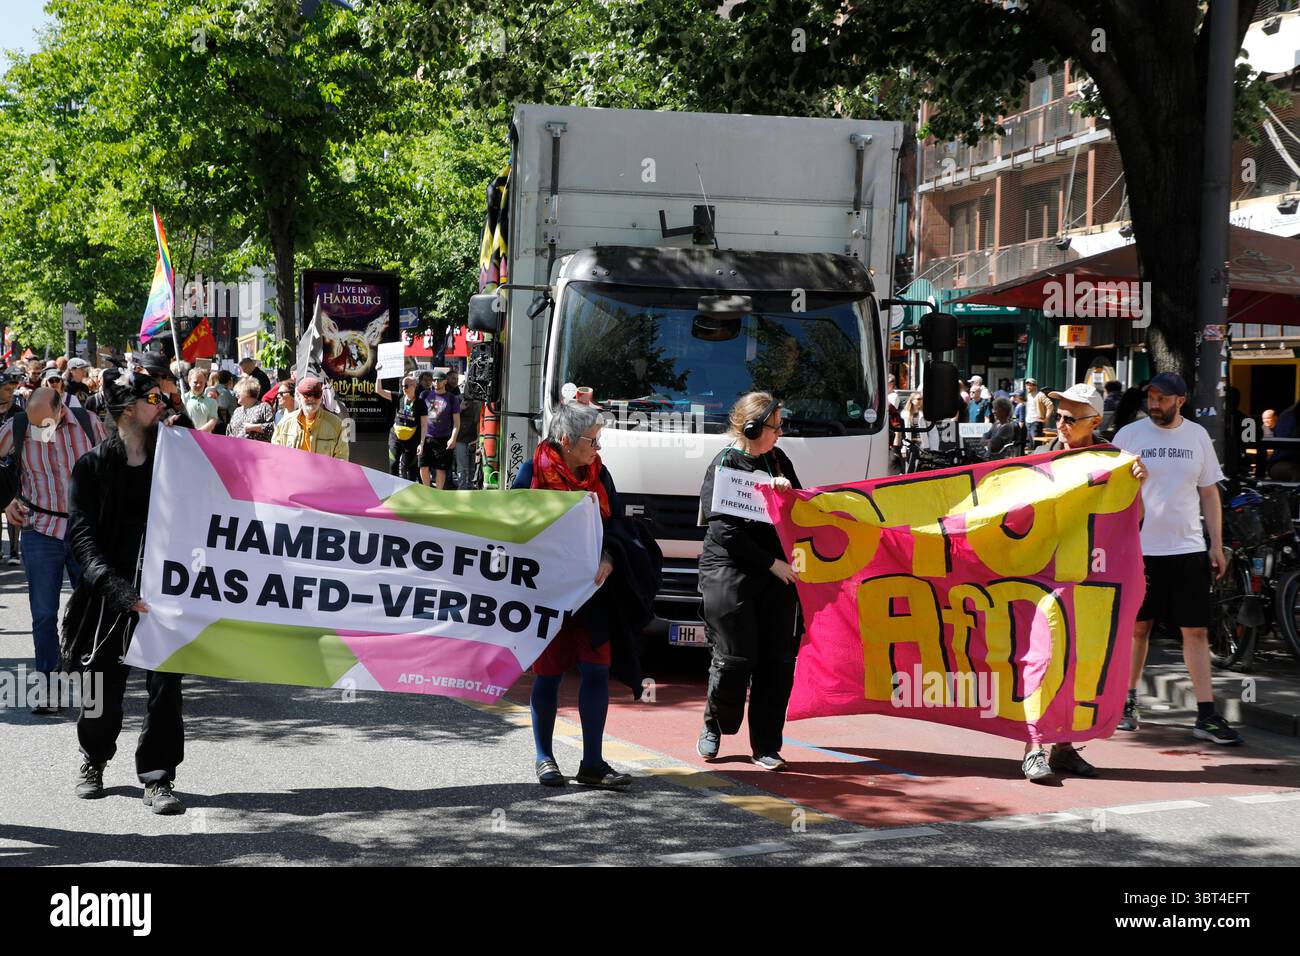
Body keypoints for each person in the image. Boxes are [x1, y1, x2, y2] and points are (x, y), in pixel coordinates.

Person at [62, 371, 185, 813]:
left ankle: (158, 778)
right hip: (109, 597)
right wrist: (115, 589)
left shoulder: (174, 458)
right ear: (129, 408)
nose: (162, 404)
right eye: (154, 398)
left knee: (165, 689)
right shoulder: (91, 467)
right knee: (102, 684)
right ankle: (93, 759)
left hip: (165, 595)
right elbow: (82, 537)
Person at [1112, 372, 1242, 745]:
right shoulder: (1130, 436)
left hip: (1187, 549)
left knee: (1197, 632)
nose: (1154, 404)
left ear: (1179, 401)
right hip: (1141, 551)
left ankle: (1206, 715)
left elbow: (1209, 494)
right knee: (1139, 629)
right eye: (1151, 397)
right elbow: (1108, 490)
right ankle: (1128, 702)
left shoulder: (1197, 436)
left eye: (1162, 399)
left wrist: (1216, 544)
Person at [511, 401, 632, 790]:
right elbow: (510, 528)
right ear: (565, 440)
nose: (598, 449)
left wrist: (609, 558)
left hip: (592, 594)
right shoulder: (531, 474)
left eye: (599, 440)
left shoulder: (601, 475)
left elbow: (618, 528)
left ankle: (592, 763)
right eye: (592, 441)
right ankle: (544, 758)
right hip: (547, 595)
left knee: (597, 671)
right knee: (548, 675)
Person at [696, 392, 803, 770]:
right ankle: (715, 723)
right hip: (730, 568)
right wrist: (771, 563)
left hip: (775, 570)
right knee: (735, 657)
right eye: (776, 426)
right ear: (754, 428)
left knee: (776, 662)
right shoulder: (724, 464)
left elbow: (798, 508)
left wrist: (787, 493)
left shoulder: (777, 458)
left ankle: (767, 746)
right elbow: (725, 531)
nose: (781, 432)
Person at [0, 387, 105, 712]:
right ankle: (49, 688)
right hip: (40, 530)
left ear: (62, 409)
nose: (40, 432)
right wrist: (5, 502)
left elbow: (111, 469)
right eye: (35, 426)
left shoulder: (89, 424)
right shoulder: (17, 427)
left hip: (84, 531)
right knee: (44, 614)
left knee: (91, 612)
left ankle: (91, 684)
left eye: (45, 423)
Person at [271, 376, 349, 460]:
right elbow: (276, 456)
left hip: (322, 473)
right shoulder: (284, 423)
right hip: (293, 473)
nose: (311, 398)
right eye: (307, 394)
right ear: (298, 395)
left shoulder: (336, 425)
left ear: (321, 395)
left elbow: (342, 459)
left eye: (316, 395)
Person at [375, 371, 428, 482]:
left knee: (411, 468)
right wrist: (379, 374)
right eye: (402, 385)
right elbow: (378, 390)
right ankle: (392, 491)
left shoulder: (421, 403)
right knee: (393, 463)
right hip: (396, 437)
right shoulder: (398, 397)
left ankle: (409, 493)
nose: (403, 388)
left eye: (406, 385)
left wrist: (421, 444)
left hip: (412, 440)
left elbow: (424, 425)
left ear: (414, 386)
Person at [419, 369, 460, 488]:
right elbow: (418, 416)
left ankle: (438, 494)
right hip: (426, 436)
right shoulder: (425, 395)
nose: (436, 382)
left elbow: (457, 422)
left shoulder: (452, 398)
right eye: (434, 380)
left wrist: (453, 438)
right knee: (423, 466)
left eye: (439, 380)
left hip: (443, 438)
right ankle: (427, 492)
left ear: (445, 381)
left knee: (441, 469)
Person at [0, 375, 23, 566]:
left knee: (13, 506)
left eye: (9, 389)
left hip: (13, 468)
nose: (7, 392)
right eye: (4, 389)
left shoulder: (18, 412)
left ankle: (15, 551)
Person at [227, 376, 275, 442]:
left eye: (239, 392)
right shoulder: (237, 411)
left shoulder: (264, 407)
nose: (236, 395)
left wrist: (253, 427)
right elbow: (230, 431)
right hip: (237, 449)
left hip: (257, 450)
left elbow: (272, 428)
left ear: (248, 392)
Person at [183, 369, 219, 433]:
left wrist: (198, 433)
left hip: (204, 439)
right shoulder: (183, 399)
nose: (199, 385)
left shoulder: (212, 402)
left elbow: (212, 421)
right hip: (186, 437)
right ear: (189, 382)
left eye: (201, 382)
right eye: (195, 382)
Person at [1023, 378, 1052, 444]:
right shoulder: (1028, 395)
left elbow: (1050, 405)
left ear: (1035, 386)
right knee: (1029, 443)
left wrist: (1046, 418)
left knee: (1035, 443)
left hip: (1036, 422)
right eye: (1027, 385)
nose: (1028, 387)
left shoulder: (1040, 395)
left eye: (1030, 385)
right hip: (1028, 422)